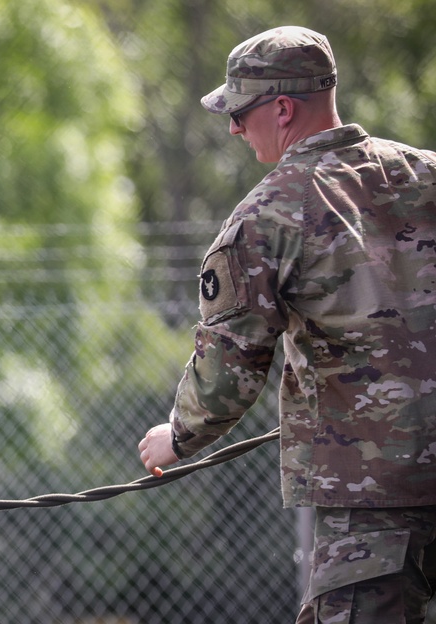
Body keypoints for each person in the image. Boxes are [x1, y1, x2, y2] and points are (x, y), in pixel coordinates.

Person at [137, 26, 436, 623]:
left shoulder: (268, 215)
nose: (233, 128)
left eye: (241, 112)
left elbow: (231, 371)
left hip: (375, 511)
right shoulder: (426, 172)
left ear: (281, 108)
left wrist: (178, 435)